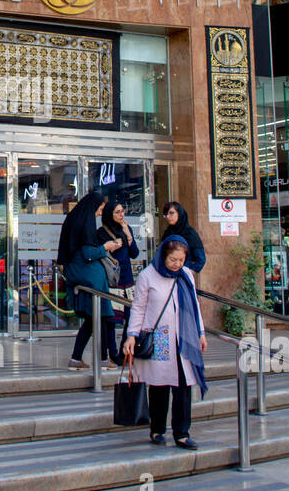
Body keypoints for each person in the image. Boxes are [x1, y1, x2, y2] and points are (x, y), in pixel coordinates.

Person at [122, 237, 208, 449]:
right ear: (163, 255)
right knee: (159, 384)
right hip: (160, 336)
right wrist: (132, 335)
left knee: (184, 386)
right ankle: (157, 429)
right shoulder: (147, 276)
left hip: (185, 337)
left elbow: (194, 306)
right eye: (173, 259)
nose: (177, 264)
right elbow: (139, 308)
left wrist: (201, 332)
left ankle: (182, 432)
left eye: (181, 259)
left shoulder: (186, 275)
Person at [58, 192, 123, 370]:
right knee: (97, 316)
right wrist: (106, 247)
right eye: (100, 209)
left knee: (94, 318)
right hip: (91, 280)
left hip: (84, 276)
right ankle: (93, 359)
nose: (100, 213)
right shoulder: (85, 224)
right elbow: (88, 254)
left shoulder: (75, 220)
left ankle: (80, 359)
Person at [97, 198, 140, 355]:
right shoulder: (101, 233)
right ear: (110, 213)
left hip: (128, 280)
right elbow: (101, 254)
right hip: (113, 281)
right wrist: (111, 247)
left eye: (123, 211)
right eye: (118, 212)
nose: (122, 214)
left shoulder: (125, 228)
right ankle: (111, 351)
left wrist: (129, 236)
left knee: (130, 316)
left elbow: (134, 253)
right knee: (111, 319)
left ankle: (124, 349)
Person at [160, 202, 206, 273]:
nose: (168, 217)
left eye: (171, 213)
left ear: (180, 214)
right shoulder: (167, 233)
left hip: (183, 275)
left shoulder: (190, 233)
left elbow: (201, 259)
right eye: (166, 214)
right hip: (166, 276)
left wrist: (188, 273)